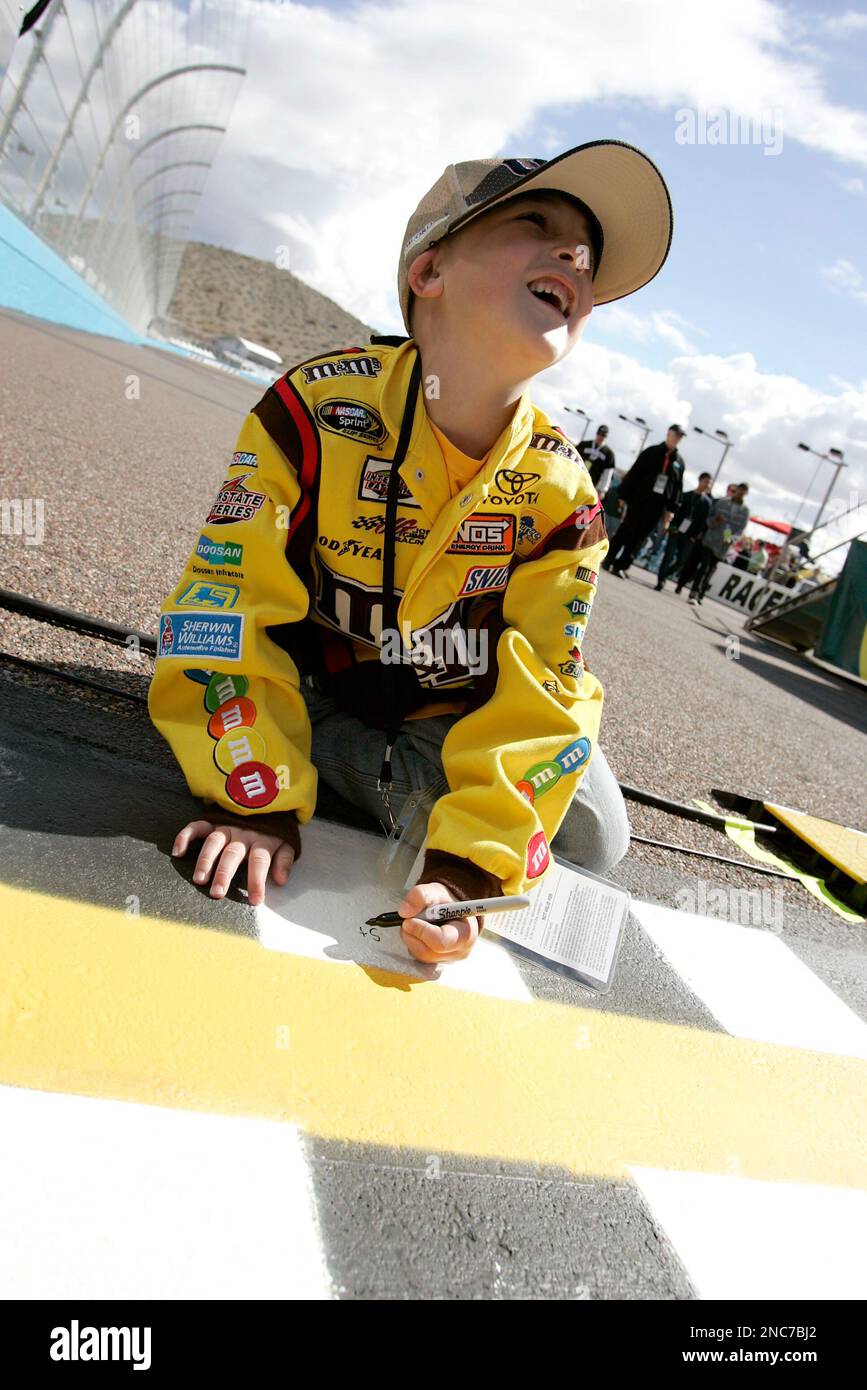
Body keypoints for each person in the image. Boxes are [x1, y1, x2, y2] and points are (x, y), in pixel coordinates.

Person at [150, 141, 673, 965]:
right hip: (314, 692)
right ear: (428, 271)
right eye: (536, 222)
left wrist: (464, 875)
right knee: (214, 682)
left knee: (596, 835)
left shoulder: (564, 492)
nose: (572, 254)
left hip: (445, 725)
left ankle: (385, 796)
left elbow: (547, 681)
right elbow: (226, 601)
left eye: (585, 254)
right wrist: (252, 796)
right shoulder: (314, 407)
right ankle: (316, 774)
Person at [600, 425, 686, 577]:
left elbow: (677, 489)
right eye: (676, 435)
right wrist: (623, 496)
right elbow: (635, 473)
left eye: (680, 436)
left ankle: (621, 565)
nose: (677, 438)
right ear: (668, 434)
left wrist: (671, 511)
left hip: (657, 506)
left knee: (640, 538)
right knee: (626, 530)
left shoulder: (679, 463)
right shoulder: (652, 452)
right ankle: (608, 559)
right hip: (638, 501)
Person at [682, 482, 750, 604]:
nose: (740, 492)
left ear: (746, 493)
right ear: (737, 489)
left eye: (744, 491)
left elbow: (741, 530)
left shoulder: (745, 511)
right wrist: (714, 521)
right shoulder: (723, 502)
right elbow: (708, 519)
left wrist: (732, 539)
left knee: (711, 569)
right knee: (704, 566)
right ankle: (694, 592)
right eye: (740, 489)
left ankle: (701, 592)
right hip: (711, 539)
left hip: (723, 545)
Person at [654, 470, 712, 590]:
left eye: (709, 483)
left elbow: (703, 522)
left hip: (690, 536)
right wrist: (672, 528)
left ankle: (665, 575)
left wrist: (695, 535)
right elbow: (676, 514)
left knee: (681, 561)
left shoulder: (707, 503)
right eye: (706, 481)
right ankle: (660, 581)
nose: (707, 485)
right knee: (668, 556)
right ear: (700, 480)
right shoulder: (686, 496)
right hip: (676, 532)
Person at [577, 424, 615, 499]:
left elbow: (608, 474)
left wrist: (602, 490)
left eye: (603, 435)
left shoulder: (609, 454)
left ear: (606, 437)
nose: (601, 437)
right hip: (577, 478)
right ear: (597, 433)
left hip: (592, 485)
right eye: (599, 434)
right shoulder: (584, 445)